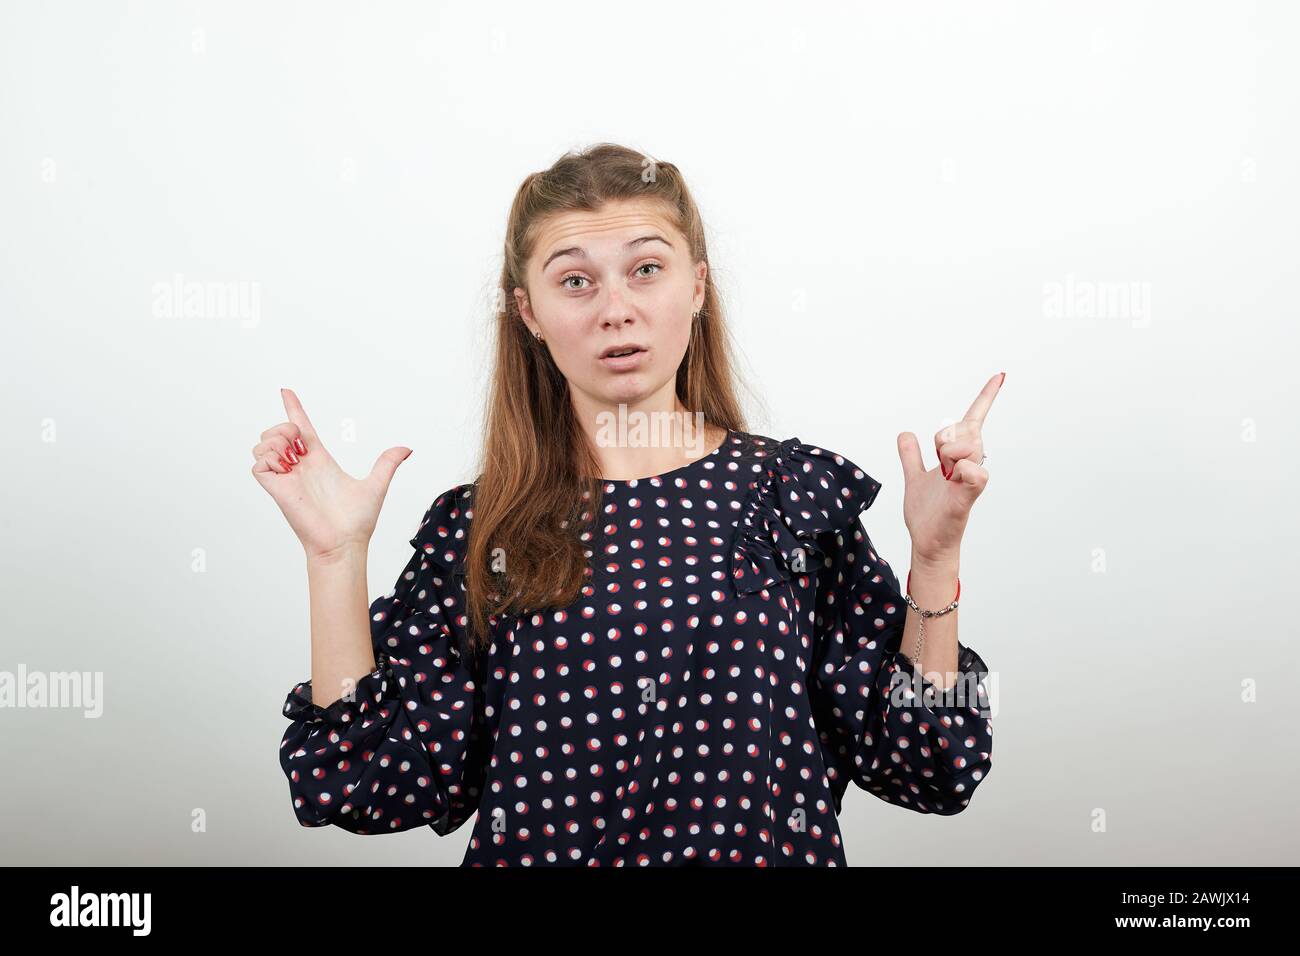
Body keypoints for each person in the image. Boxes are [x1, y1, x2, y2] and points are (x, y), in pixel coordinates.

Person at [251, 143, 1002, 866]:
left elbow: (931, 765)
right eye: (575, 281)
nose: (616, 309)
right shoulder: (482, 532)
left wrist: (934, 562)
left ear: (698, 286)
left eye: (646, 269)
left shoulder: (790, 498)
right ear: (528, 313)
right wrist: (335, 559)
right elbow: (358, 783)